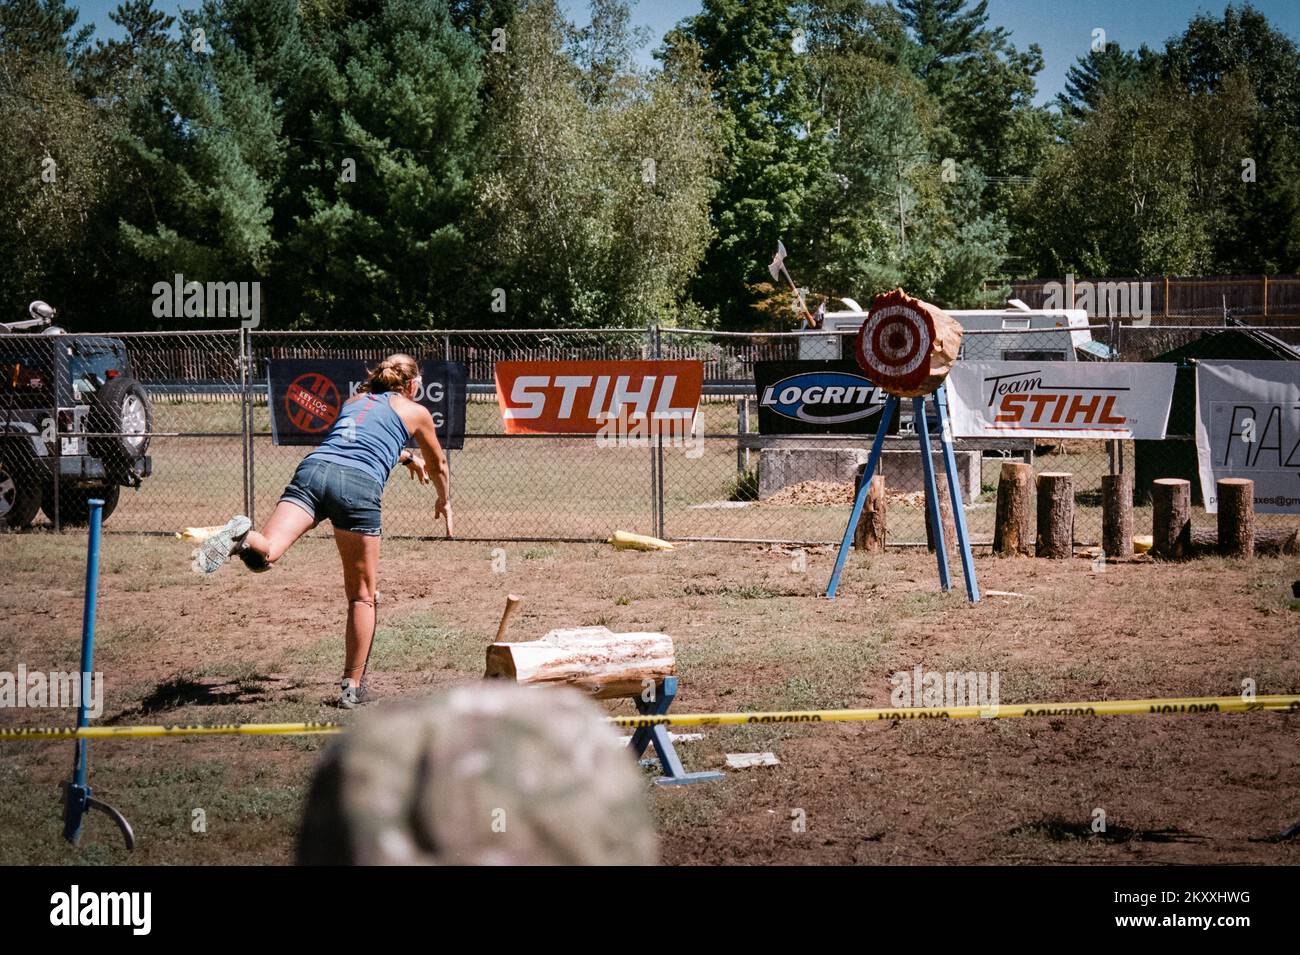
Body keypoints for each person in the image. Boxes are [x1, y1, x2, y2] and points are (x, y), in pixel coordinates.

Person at [192, 353, 452, 709]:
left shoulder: (356, 400)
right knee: (362, 596)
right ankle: (352, 688)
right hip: (357, 485)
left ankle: (242, 536)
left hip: (314, 470)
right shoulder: (417, 411)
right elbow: (438, 463)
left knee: (265, 554)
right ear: (411, 385)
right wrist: (443, 499)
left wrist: (405, 457)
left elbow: (363, 435)